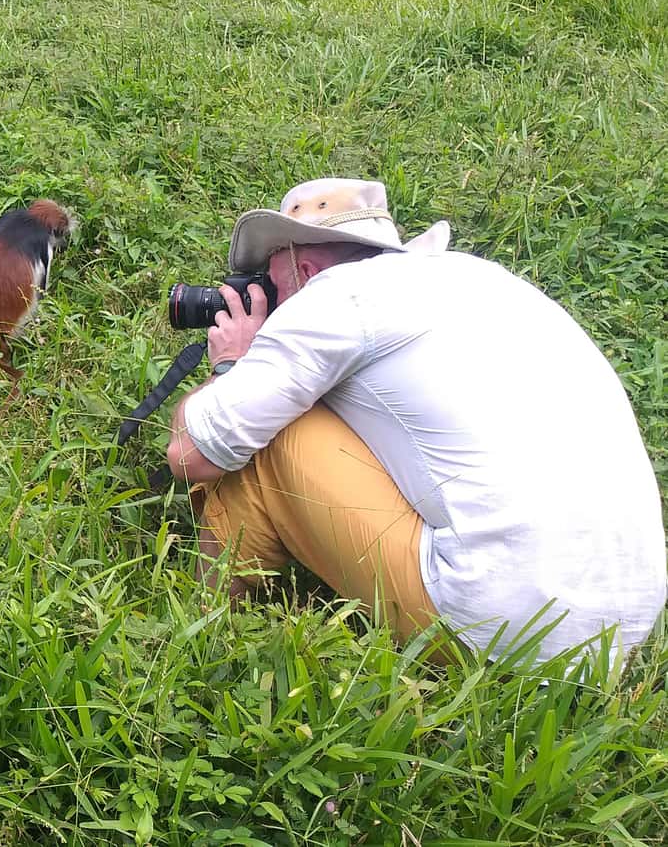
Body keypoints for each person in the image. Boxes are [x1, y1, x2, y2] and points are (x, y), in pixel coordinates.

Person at [166, 177, 666, 664]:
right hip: (619, 637)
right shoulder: (479, 281)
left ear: (306, 267)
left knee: (267, 431)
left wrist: (234, 365)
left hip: (498, 632)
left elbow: (192, 455)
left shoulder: (336, 295)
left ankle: (205, 636)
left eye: (268, 286)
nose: (262, 304)